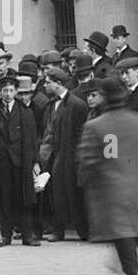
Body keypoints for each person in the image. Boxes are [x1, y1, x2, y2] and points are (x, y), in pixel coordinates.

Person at [77, 76, 138, 275]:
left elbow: (94, 158)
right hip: (134, 182)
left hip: (109, 184)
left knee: (119, 229)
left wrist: (88, 178)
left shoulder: (97, 126)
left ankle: (131, 271)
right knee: (124, 229)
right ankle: (127, 266)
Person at [0, 73, 40, 247]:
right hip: (2, 162)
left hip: (21, 161)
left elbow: (32, 139)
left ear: (16, 92)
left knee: (24, 198)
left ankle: (27, 235)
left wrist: (34, 162)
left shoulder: (25, 112)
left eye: (11, 90)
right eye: (4, 90)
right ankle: (5, 235)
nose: (7, 94)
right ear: (0, 92)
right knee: (5, 199)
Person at [38, 67, 90, 241]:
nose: (44, 85)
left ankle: (84, 231)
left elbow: (81, 134)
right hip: (53, 155)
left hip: (70, 156)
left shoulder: (77, 105)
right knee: (56, 194)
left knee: (75, 194)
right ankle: (58, 230)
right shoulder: (50, 104)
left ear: (58, 84)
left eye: (47, 82)